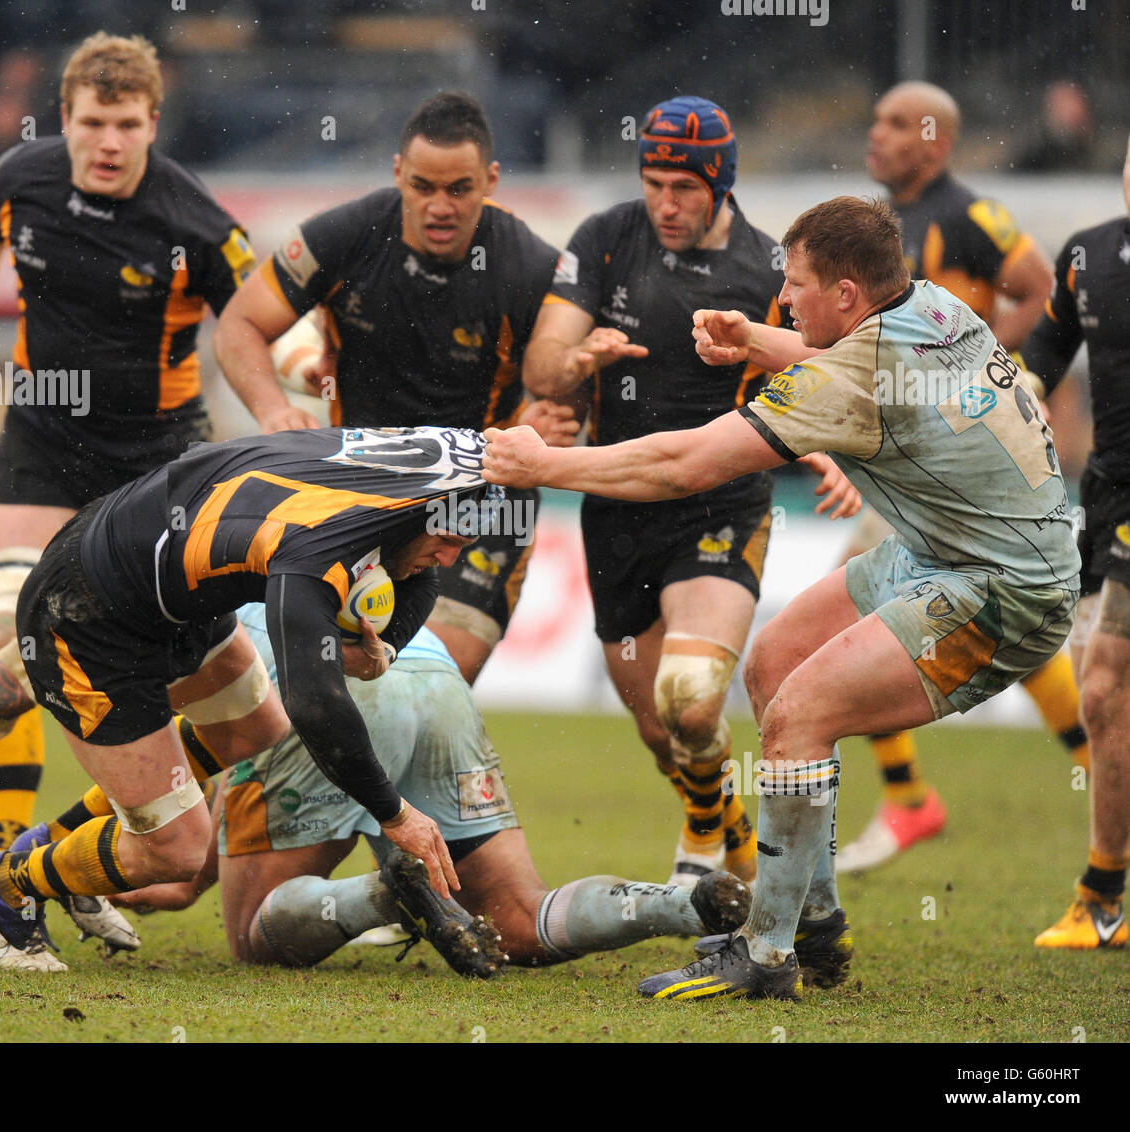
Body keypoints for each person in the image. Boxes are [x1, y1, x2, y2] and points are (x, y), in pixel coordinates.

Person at [483, 196, 1079, 1001]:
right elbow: (849, 361)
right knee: (772, 663)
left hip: (1004, 588)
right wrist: (758, 341)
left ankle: (765, 956)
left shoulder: (849, 375)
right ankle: (817, 919)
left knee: (800, 718)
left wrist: (543, 466)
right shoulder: (932, 304)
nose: (784, 297)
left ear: (844, 294)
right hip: (946, 550)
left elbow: (684, 466)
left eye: (795, 285)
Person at [0, 425, 498, 973]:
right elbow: (318, 701)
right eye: (444, 538)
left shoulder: (378, 497)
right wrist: (396, 815)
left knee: (256, 728)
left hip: (166, 592)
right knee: (179, 850)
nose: (450, 555)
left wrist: (378, 651)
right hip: (89, 623)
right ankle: (9, 883)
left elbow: (402, 591)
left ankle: (64, 852)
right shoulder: (317, 547)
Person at [0, 35, 260, 910]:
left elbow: (255, 320)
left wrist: (288, 399)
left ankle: (78, 851)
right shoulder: (24, 177)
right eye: (93, 122)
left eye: (127, 124)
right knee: (5, 633)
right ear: (65, 119)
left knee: (224, 737)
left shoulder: (197, 224)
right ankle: (3, 867)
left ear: (152, 124)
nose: (109, 143)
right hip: (41, 450)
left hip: (156, 472)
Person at [519, 95, 858, 887]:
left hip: (720, 508)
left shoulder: (773, 271)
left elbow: (820, 379)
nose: (666, 205)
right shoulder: (604, 239)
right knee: (661, 731)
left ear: (722, 184)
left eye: (684, 188)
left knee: (693, 699)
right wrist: (577, 365)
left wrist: (830, 447)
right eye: (654, 183)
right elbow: (542, 364)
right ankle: (728, 830)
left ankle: (703, 849)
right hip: (615, 505)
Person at [109, 611, 753, 976]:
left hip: (324, 694)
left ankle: (383, 892)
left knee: (254, 938)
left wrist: (191, 880)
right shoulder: (309, 535)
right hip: (434, 678)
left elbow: (230, 749)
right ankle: (687, 904)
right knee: (521, 919)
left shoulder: (187, 596)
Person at [213, 91, 577, 685]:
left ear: (490, 180)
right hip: (357, 485)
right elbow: (240, 323)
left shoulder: (532, 267)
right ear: (397, 173)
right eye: (422, 186)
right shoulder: (345, 236)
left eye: (458, 189)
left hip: (481, 498)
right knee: (304, 678)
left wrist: (553, 418)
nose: (439, 206)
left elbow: (570, 388)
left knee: (429, 683)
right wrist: (273, 409)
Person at [836, 80, 1084, 872]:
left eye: (898, 123)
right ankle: (1088, 761)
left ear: (937, 140)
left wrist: (980, 374)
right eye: (875, 120)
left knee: (850, 613)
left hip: (947, 457)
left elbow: (1043, 291)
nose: (878, 134)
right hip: (901, 454)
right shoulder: (874, 229)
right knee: (1008, 614)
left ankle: (912, 799)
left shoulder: (970, 215)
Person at [1026, 133, 1130, 949]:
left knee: (1102, 691)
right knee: (1098, 698)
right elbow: (1046, 354)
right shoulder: (1091, 256)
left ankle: (1101, 895)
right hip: (1103, 499)